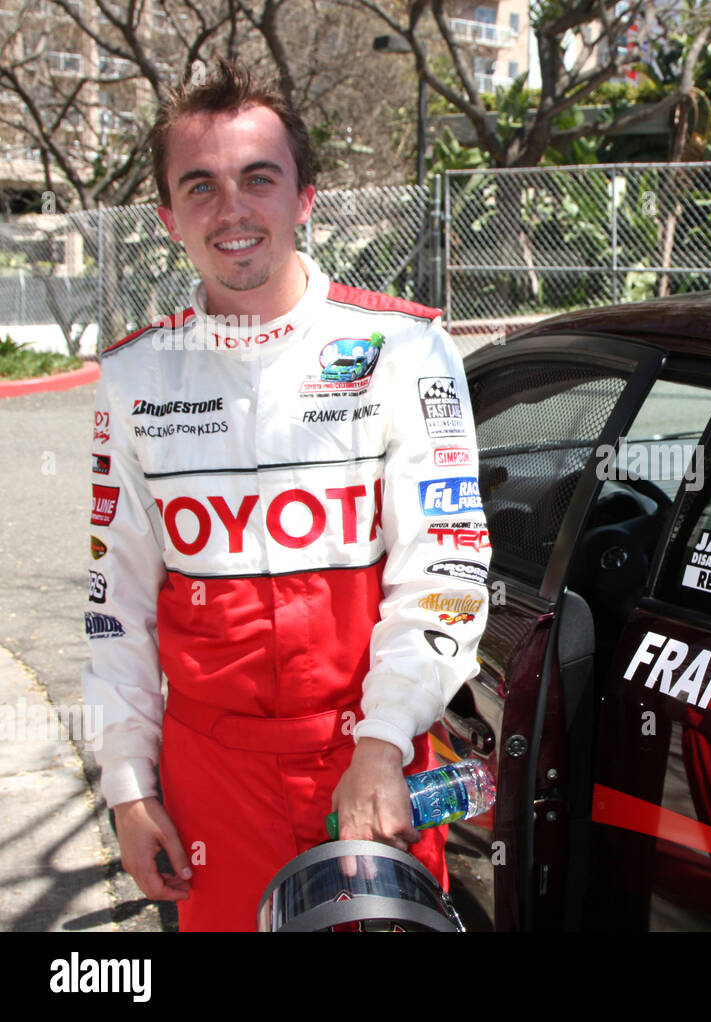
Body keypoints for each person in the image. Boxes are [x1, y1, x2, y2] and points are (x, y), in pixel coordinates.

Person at [81, 59, 491, 931]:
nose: (232, 210)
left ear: (304, 198)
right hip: (210, 782)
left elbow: (447, 567)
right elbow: (113, 604)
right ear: (168, 218)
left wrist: (382, 744)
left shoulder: (406, 349)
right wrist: (126, 788)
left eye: (258, 179)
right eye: (202, 187)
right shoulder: (132, 376)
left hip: (372, 761)